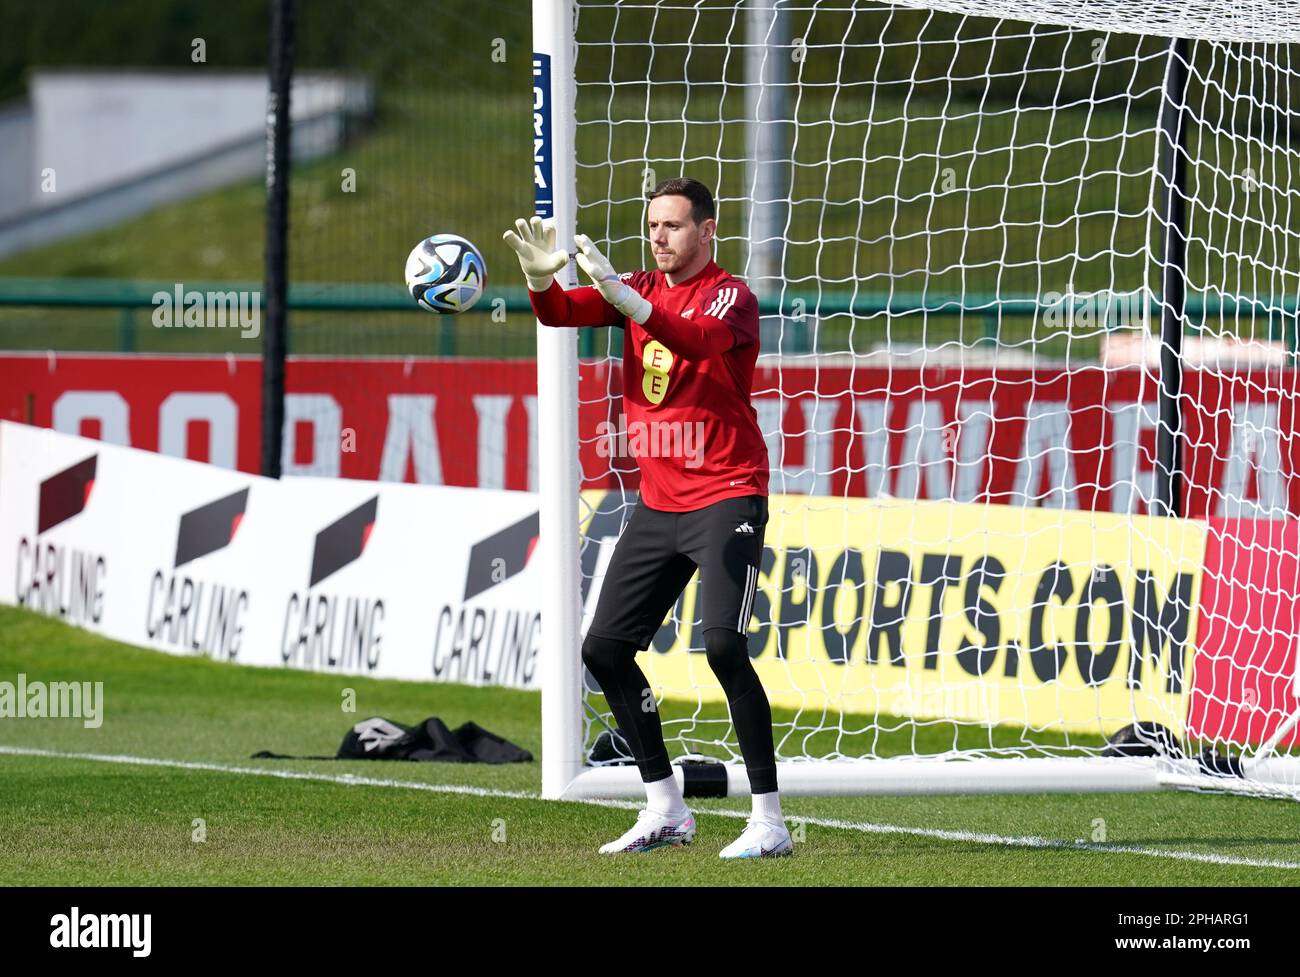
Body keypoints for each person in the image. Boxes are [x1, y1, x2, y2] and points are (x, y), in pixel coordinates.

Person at [503, 177, 791, 858]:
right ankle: (665, 806)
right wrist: (541, 281)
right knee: (603, 648)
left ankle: (770, 819)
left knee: (722, 645)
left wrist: (628, 299)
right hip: (660, 505)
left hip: (727, 495)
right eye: (653, 225)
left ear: (708, 230)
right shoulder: (637, 287)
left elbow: (696, 342)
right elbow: (558, 316)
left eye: (675, 225)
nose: (660, 237)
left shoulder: (732, 296)